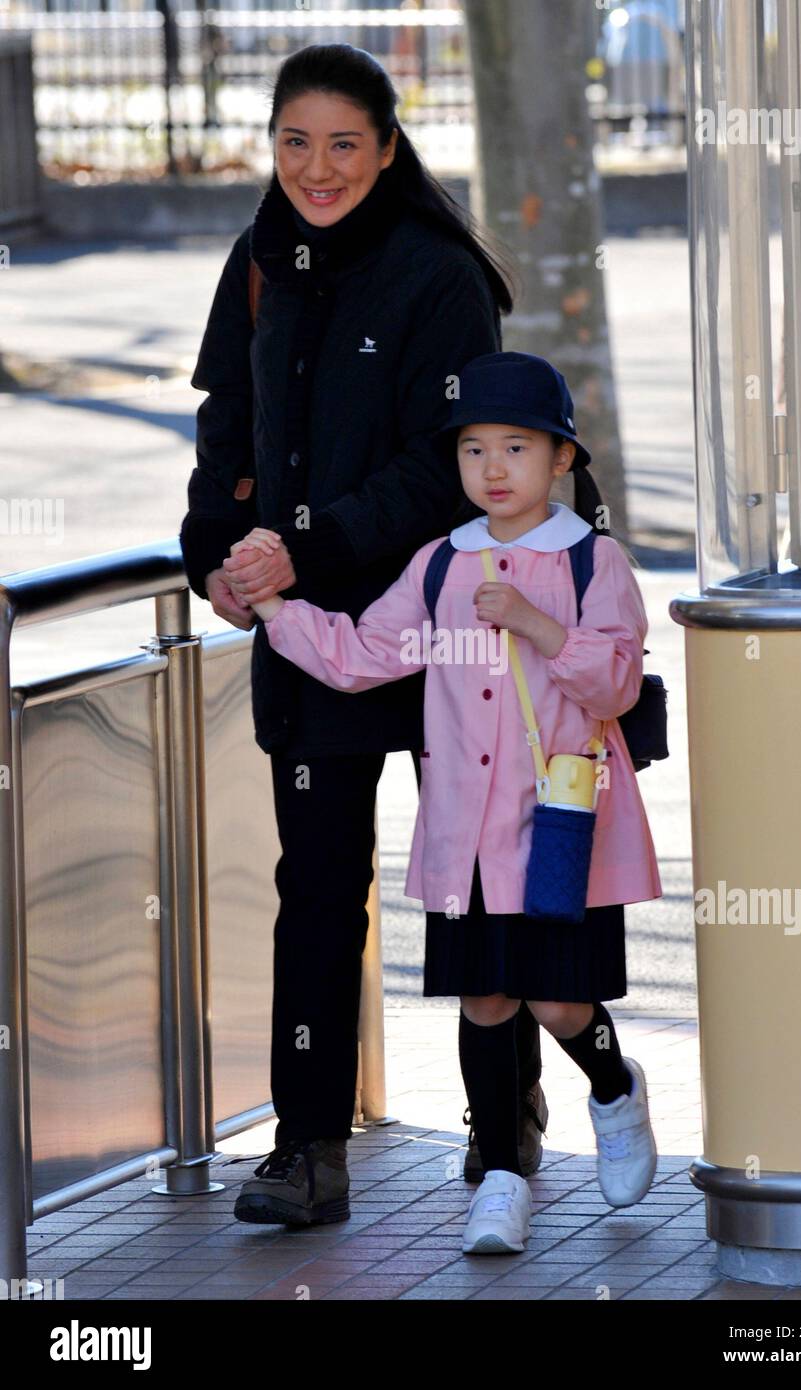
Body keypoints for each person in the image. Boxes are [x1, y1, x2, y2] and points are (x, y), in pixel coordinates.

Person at [179, 43, 548, 1228]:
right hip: (307, 632)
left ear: (388, 150)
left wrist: (310, 546)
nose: (317, 167)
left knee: (480, 881)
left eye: (344, 144)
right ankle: (306, 1150)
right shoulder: (256, 263)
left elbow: (453, 475)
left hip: (453, 629)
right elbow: (222, 433)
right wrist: (216, 561)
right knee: (320, 888)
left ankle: (503, 1128)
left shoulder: (439, 278)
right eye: (295, 142)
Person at [225, 352, 664, 1254]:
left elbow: (617, 683)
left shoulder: (593, 562)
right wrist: (275, 609)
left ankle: (615, 1089)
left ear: (561, 462)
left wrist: (539, 625)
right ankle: (499, 1181)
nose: (494, 470)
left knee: (556, 1002)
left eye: (516, 448)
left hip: (560, 825)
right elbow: (359, 657)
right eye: (473, 451)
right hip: (468, 832)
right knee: (487, 998)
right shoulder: (436, 565)